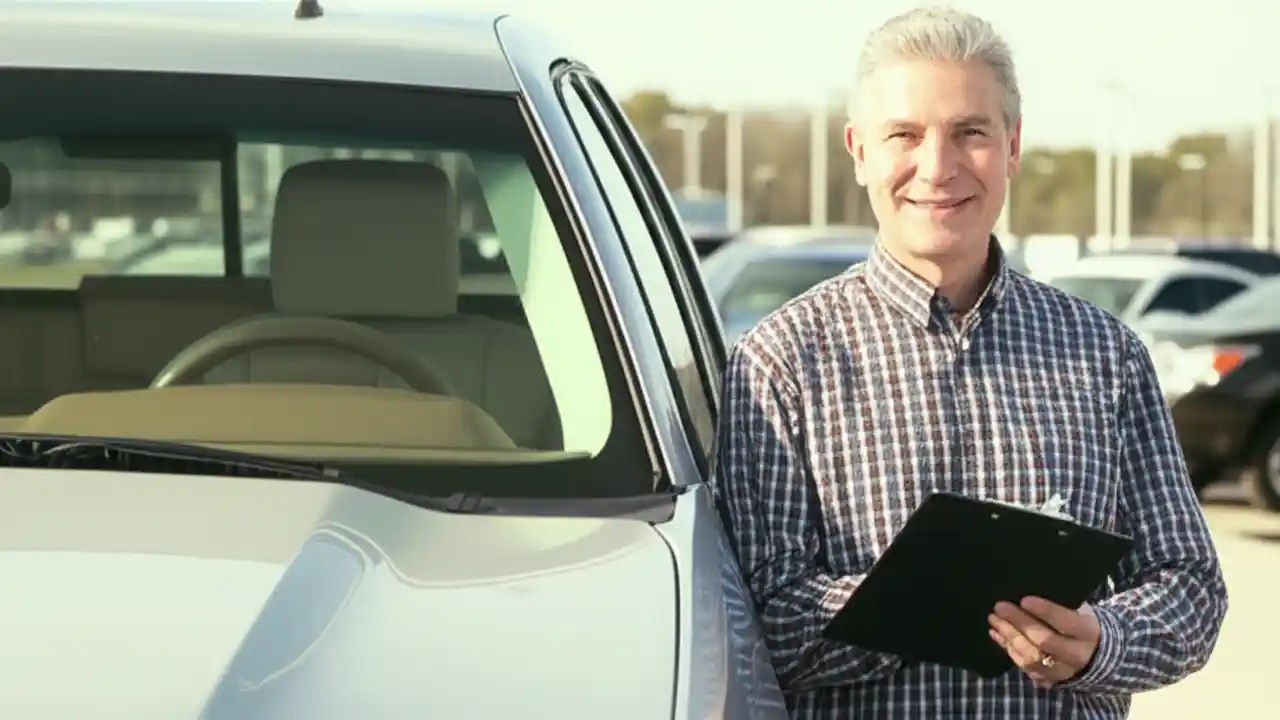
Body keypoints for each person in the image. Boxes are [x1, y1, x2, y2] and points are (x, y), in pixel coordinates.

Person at [711, 6, 1227, 719]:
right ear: (859, 150)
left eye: (970, 133)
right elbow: (757, 618)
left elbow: (1191, 584)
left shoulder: (1106, 356)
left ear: (1012, 147)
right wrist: (935, 595)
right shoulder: (783, 364)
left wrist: (1102, 640)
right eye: (905, 135)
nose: (938, 167)